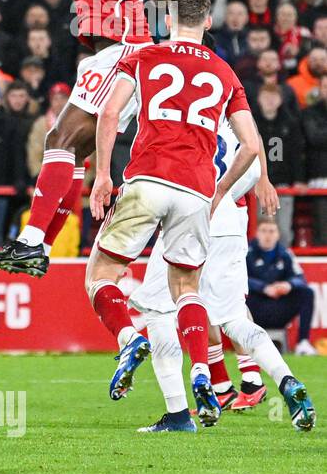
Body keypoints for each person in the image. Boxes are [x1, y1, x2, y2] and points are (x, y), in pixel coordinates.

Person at [84, 0, 295, 428]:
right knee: (188, 289)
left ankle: (127, 339)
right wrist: (219, 191)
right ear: (209, 21)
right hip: (196, 191)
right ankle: (203, 369)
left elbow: (107, 114)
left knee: (101, 274)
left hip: (146, 178)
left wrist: (102, 175)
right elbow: (253, 144)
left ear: (167, 17)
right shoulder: (225, 71)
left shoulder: (143, 55)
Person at [0, 0, 168, 277]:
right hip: (108, 56)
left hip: (124, 51)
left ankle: (30, 240)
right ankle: (41, 245)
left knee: (56, 140)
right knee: (72, 154)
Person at [129, 126, 315, 433]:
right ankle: (285, 379)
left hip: (186, 216)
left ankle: (180, 408)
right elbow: (254, 155)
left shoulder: (175, 118)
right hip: (228, 219)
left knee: (159, 311)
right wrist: (240, 187)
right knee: (232, 318)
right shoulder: (232, 121)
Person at [247, 219, 319, 358]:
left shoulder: (285, 254)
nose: (267, 236)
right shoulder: (246, 252)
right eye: (263, 231)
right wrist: (263, 288)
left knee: (306, 293)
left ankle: (303, 342)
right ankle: (244, 343)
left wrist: (288, 285)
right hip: (253, 307)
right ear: (257, 234)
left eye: (271, 231)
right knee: (238, 294)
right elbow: (238, 277)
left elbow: (300, 279)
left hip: (278, 306)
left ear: (278, 235)